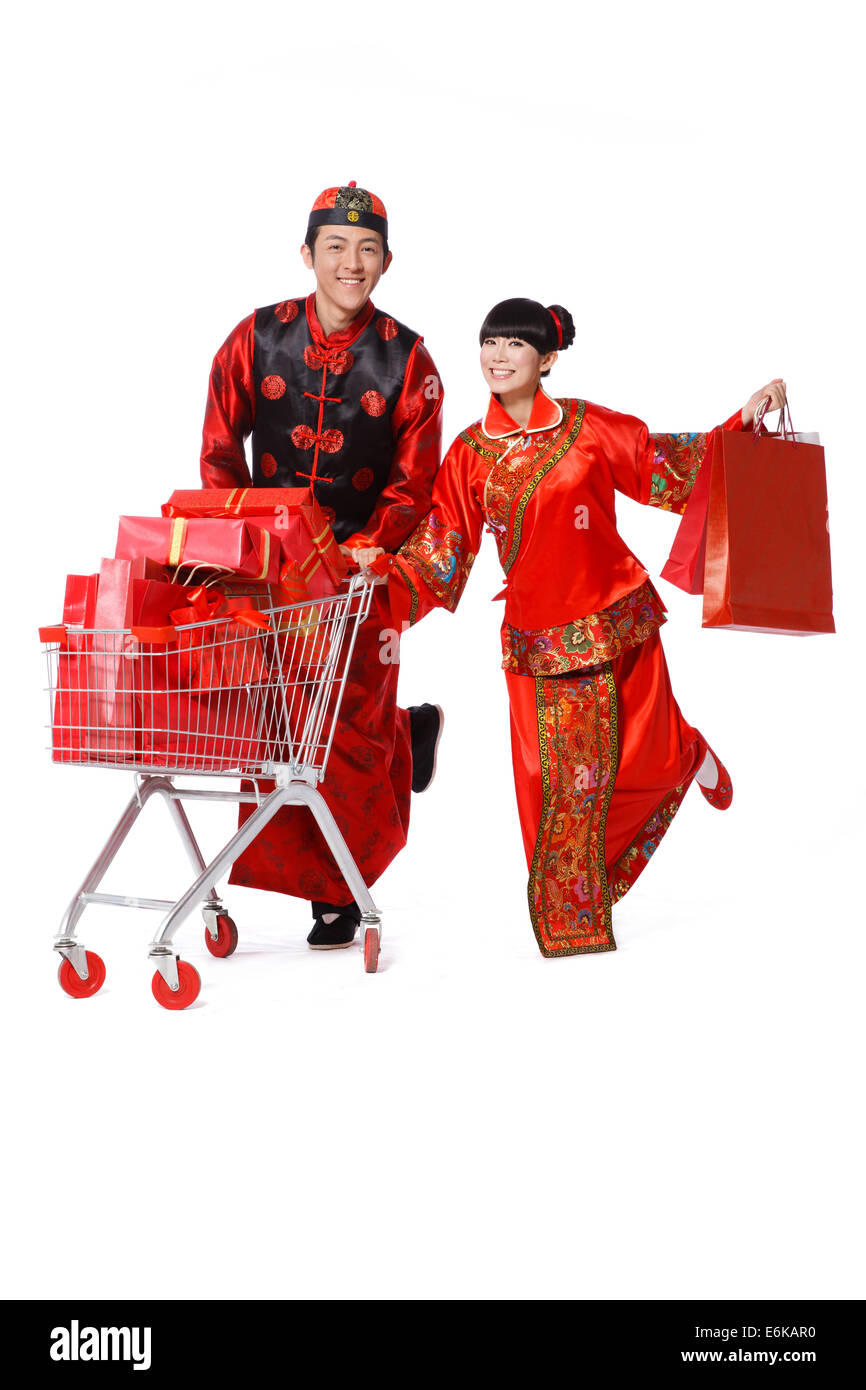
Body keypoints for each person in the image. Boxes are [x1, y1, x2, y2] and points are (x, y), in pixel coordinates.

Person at [372, 297, 785, 956]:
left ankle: (682, 758)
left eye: (514, 345)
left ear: (547, 359)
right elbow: (442, 546)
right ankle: (585, 910)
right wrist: (378, 596)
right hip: (536, 643)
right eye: (490, 343)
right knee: (556, 786)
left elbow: (670, 464)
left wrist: (746, 421)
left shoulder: (590, 428)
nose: (498, 357)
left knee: (636, 758)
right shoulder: (470, 454)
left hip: (616, 619)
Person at [200, 183, 445, 948]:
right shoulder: (257, 337)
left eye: (367, 249)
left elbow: (415, 483)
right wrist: (239, 536)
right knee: (278, 725)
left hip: (360, 572)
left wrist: (363, 550)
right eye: (335, 247)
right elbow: (218, 446)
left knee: (352, 726)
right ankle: (405, 754)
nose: (351, 262)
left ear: (387, 262)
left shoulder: (409, 358)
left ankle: (342, 891)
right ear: (307, 254)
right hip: (273, 570)